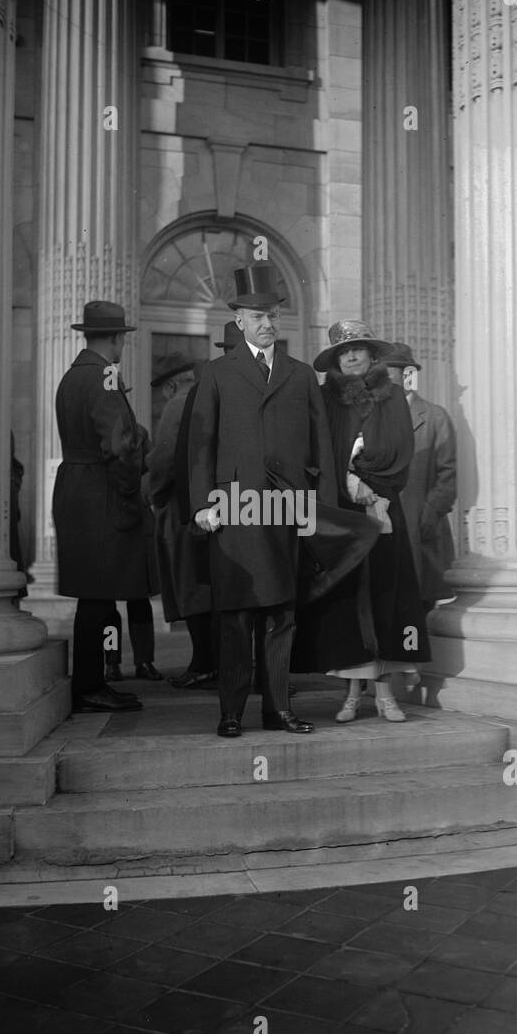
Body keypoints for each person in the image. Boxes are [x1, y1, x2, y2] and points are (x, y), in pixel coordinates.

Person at [188, 263, 338, 738]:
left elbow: (323, 449)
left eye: (272, 315)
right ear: (239, 322)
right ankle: (231, 711)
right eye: (257, 317)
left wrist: (320, 509)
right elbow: (199, 447)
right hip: (232, 509)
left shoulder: (299, 376)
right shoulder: (216, 374)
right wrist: (201, 507)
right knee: (235, 615)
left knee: (281, 615)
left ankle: (277, 709)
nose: (267, 323)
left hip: (286, 511)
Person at [293, 321, 430, 723]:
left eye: (358, 350)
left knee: (386, 599)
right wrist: (345, 479)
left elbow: (399, 454)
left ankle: (386, 695)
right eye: (343, 352)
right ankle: (351, 693)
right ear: (336, 359)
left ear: (372, 355)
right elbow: (316, 451)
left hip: (383, 511)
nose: (351, 357)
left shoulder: (391, 399)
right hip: (343, 516)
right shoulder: (324, 400)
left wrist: (368, 477)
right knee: (348, 603)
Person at [52, 300, 157, 714]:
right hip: (102, 492)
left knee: (93, 595)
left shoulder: (72, 377)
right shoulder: (105, 377)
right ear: (117, 339)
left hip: (76, 488)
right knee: (99, 595)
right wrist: (131, 492)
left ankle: (92, 681)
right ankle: (91, 685)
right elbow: (120, 448)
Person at [386, 341, 457, 708]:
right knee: (390, 602)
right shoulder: (375, 417)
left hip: (422, 531)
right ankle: (391, 680)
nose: (383, 379)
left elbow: (447, 477)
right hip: (386, 528)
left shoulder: (435, 417)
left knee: (420, 602)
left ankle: (418, 677)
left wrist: (426, 517)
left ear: (407, 376)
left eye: (390, 372)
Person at [149, 352, 216, 689]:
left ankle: (203, 662)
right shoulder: (215, 395)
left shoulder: (177, 404)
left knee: (190, 584)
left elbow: (163, 462)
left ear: (172, 383)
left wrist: (154, 495)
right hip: (222, 504)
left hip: (182, 508)